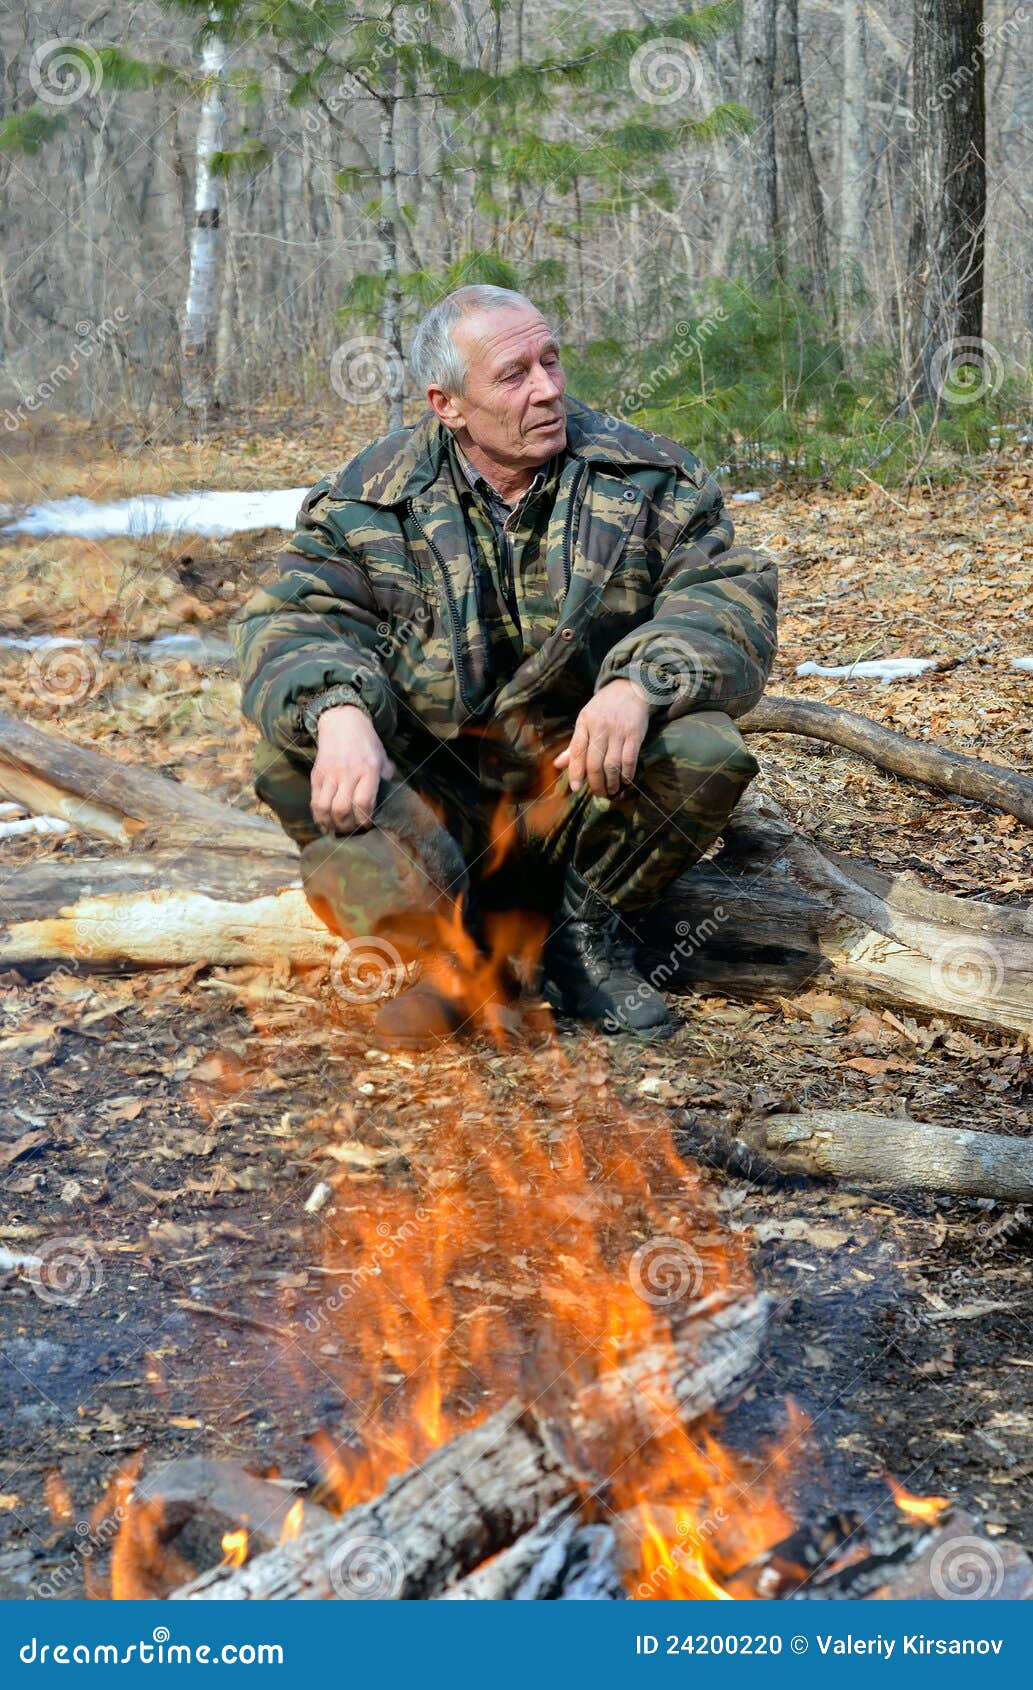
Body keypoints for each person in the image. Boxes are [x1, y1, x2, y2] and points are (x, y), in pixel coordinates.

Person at [232, 285, 778, 1045]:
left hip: (585, 786)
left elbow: (726, 597)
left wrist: (637, 683)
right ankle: (446, 956)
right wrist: (337, 710)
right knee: (293, 755)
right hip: (437, 802)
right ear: (446, 404)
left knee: (704, 746)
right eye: (514, 374)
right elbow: (292, 620)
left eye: (550, 361)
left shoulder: (647, 477)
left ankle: (585, 938)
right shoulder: (369, 499)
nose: (548, 389)